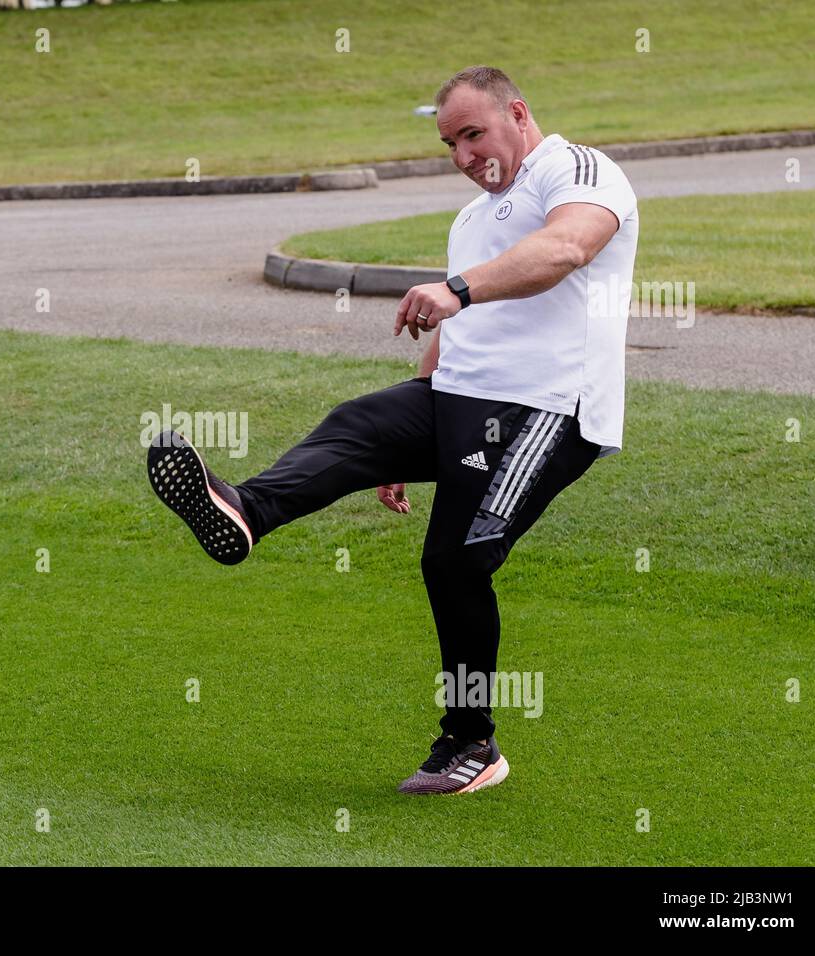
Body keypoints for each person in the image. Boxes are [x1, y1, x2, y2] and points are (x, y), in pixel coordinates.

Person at [146, 66, 639, 796]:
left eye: (473, 134)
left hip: (547, 408)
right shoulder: (473, 220)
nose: (463, 155)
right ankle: (246, 512)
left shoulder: (575, 170)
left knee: (457, 559)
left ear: (518, 113)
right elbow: (459, 325)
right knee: (359, 423)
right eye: (450, 144)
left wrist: (457, 287)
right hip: (458, 398)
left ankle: (472, 745)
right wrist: (413, 432)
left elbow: (565, 250)